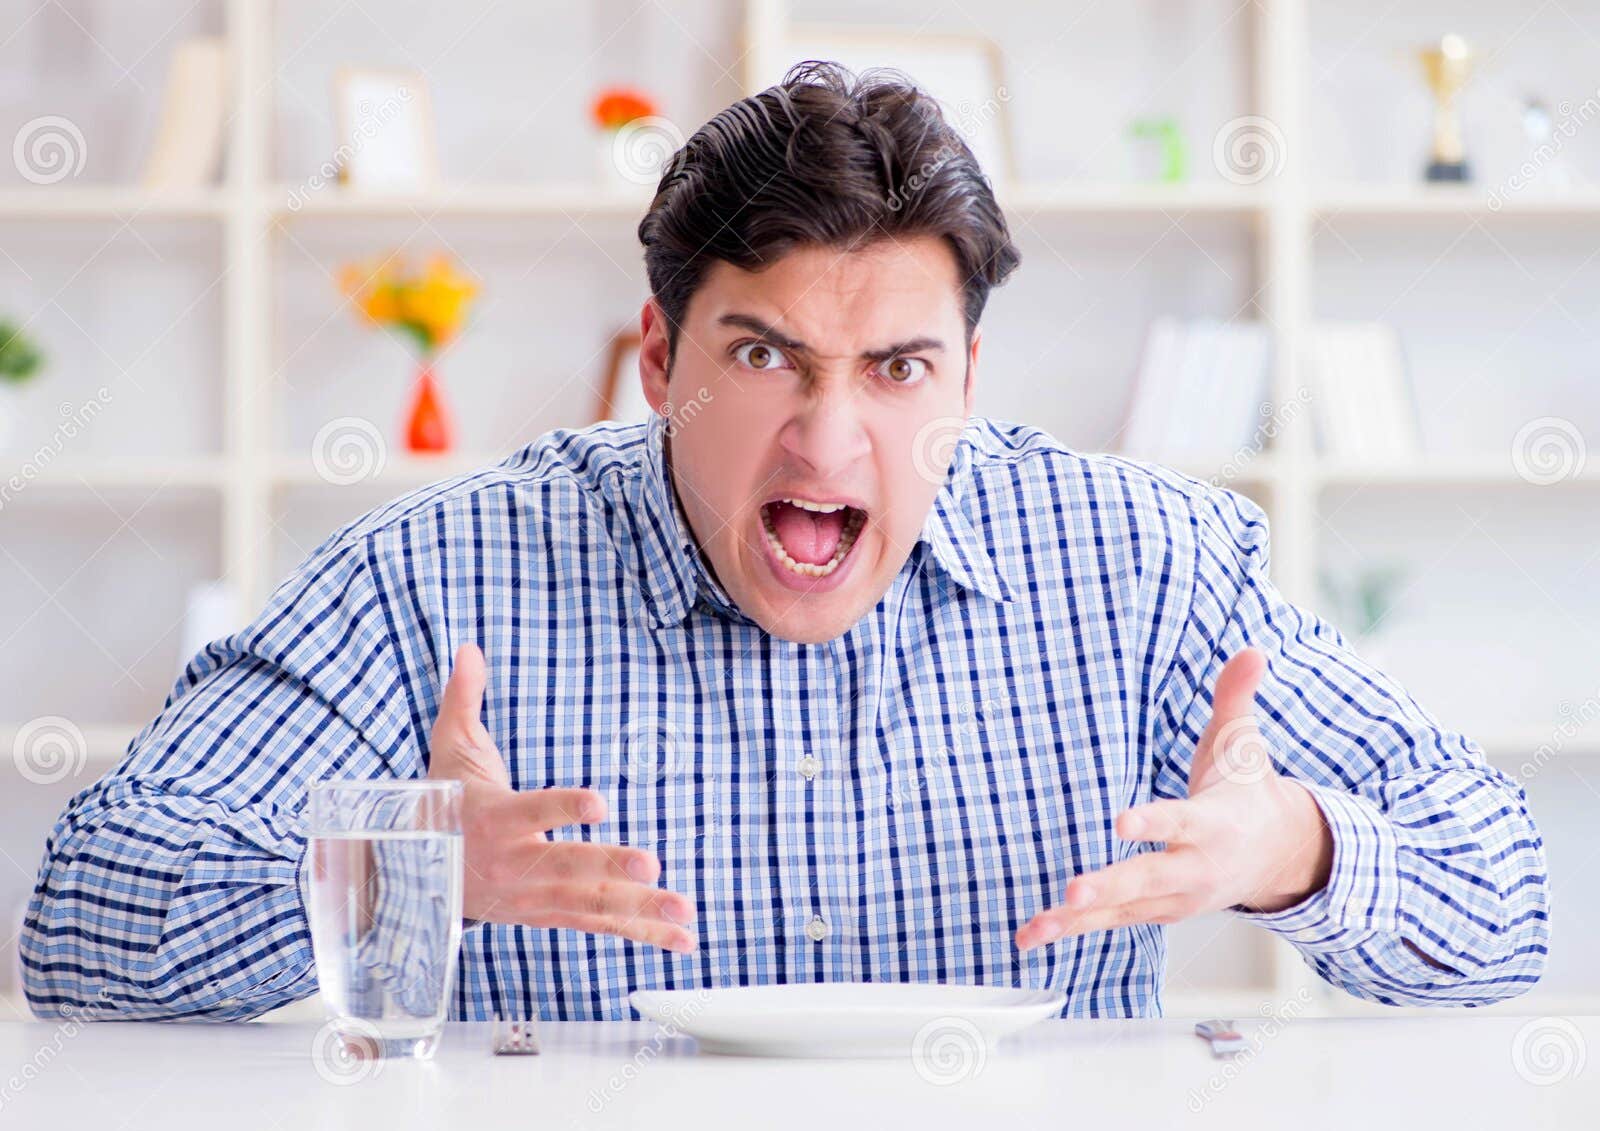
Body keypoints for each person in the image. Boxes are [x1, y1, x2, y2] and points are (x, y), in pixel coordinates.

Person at [21, 62, 1547, 1021]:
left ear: (969, 378)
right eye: (763, 358)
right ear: (659, 357)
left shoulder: (1147, 571)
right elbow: (77, 918)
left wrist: (1294, 850)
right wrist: (401, 868)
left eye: (898, 370)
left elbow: (1508, 894)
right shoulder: (434, 577)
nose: (828, 442)